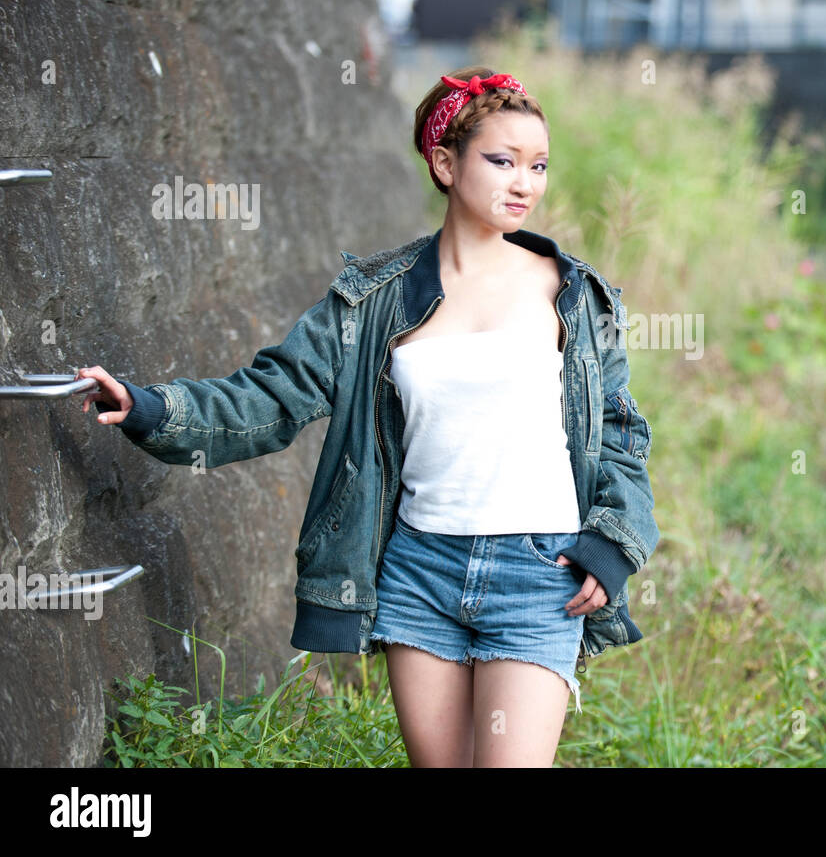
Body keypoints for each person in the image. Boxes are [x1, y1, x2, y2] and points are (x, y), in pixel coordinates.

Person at [79, 65, 658, 767]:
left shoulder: (570, 295)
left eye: (537, 165)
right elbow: (272, 396)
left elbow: (622, 433)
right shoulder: (371, 301)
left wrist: (613, 543)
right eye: (501, 161)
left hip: (538, 573)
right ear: (445, 163)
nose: (524, 183)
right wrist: (148, 407)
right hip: (419, 571)